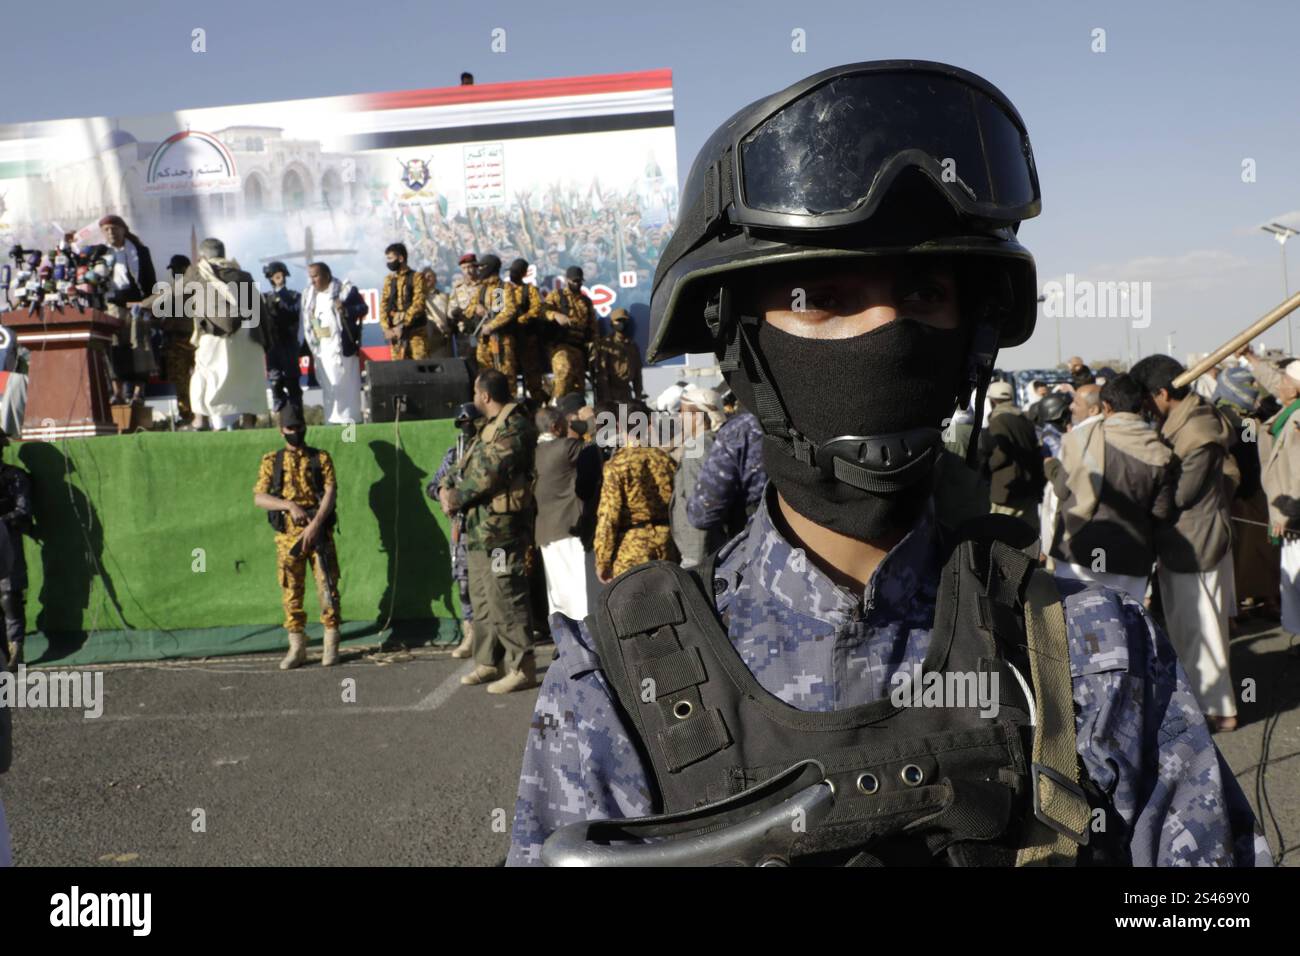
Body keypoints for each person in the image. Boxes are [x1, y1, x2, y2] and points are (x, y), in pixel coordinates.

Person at [508, 61, 1269, 867]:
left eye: (924, 295)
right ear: (741, 346)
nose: (888, 331)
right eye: (825, 296)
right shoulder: (620, 681)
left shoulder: (1094, 650)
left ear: (969, 339)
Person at [1131, 355, 1240, 733]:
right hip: (1186, 540)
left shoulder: (1198, 433)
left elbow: (1181, 494)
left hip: (1197, 540)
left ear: (1162, 392)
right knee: (1188, 628)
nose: (1144, 406)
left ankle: (1220, 711)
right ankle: (1207, 701)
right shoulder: (1185, 421)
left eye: (1147, 397)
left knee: (1203, 630)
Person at [438, 369, 538, 694]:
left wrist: (454, 497)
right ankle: (488, 662)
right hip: (479, 530)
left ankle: (521, 667)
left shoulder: (515, 427)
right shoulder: (487, 430)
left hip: (503, 533)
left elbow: (489, 475)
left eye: (475, 392)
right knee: (482, 599)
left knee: (505, 597)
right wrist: (444, 487)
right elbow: (463, 467)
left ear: (485, 396)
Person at [1047, 374, 1173, 602]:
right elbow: (1161, 512)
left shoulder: (1080, 440)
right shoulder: (1160, 452)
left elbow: (1062, 491)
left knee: (1078, 629)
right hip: (1131, 558)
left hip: (1081, 551)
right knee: (1126, 630)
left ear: (1105, 406)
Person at [253, 403, 341, 669]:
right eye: (291, 428)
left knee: (328, 587)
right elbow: (260, 497)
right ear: (282, 431)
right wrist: (289, 505)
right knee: (291, 592)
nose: (296, 432)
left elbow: (330, 492)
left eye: (300, 427)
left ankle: (331, 644)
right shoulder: (272, 460)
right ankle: (297, 647)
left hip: (319, 532)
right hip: (288, 537)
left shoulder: (321, 458)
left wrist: (315, 524)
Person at [1213, 364, 1279, 617]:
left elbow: (1253, 452)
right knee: (1240, 554)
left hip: (1255, 492)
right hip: (1235, 495)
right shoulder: (1220, 414)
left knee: (1262, 551)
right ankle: (1237, 604)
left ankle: (1265, 597)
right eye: (1248, 385)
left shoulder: (1251, 417)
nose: (1253, 390)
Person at [184, 237, 265, 430]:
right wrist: (264, 339)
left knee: (203, 374)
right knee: (247, 377)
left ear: (202, 256)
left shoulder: (198, 272)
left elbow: (172, 294)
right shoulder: (243, 275)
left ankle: (200, 421)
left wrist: (144, 304)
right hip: (246, 334)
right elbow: (259, 307)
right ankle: (247, 422)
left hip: (214, 334)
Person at [592, 400, 677, 583]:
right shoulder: (664, 459)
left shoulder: (617, 466)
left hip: (632, 548)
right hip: (667, 542)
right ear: (648, 423)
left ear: (618, 425)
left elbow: (609, 515)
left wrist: (602, 560)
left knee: (635, 608)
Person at [1251, 357, 1300, 645]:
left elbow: (1299, 474)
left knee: (1296, 580)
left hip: (1293, 517)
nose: (1277, 386)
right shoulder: (1289, 413)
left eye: (1283, 382)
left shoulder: (1296, 420)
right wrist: (1251, 358)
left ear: (1294, 390)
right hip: (1289, 514)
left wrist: (1288, 513)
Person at [429, 402, 483, 658]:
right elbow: (433, 485)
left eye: (470, 422)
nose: (466, 428)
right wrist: (442, 495)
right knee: (464, 584)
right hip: (461, 529)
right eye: (462, 424)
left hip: (486, 526)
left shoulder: (487, 450)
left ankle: (491, 636)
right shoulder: (454, 455)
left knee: (490, 583)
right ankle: (471, 632)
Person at [86, 215, 157, 405]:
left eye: (114, 228)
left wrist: (149, 306)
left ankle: (138, 393)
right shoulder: (101, 254)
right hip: (113, 306)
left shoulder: (140, 251)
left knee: (140, 346)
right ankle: (117, 392)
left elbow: (150, 281)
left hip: (137, 305)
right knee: (114, 347)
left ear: (123, 229)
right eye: (107, 230)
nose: (111, 233)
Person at [533, 406, 590, 625]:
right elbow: (595, 450)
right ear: (556, 427)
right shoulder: (567, 447)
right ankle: (586, 641)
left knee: (556, 593)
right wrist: (586, 423)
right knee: (578, 592)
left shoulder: (533, 452)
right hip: (569, 527)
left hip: (545, 532)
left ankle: (566, 642)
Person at [685, 405, 765, 543]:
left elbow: (702, 515)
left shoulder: (739, 430)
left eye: (682, 412)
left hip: (760, 541)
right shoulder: (806, 413)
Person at [301, 262, 365, 425]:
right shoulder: (309, 295)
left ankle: (349, 434)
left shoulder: (345, 291)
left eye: (315, 276)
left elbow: (362, 308)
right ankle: (332, 427)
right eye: (310, 277)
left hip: (343, 352)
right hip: (323, 351)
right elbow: (311, 324)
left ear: (326, 275)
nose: (312, 280)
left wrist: (345, 310)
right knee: (330, 391)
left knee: (346, 393)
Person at [977, 380, 1044, 534]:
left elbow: (1001, 455)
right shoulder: (1025, 419)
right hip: (1029, 488)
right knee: (1028, 538)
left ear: (992, 401)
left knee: (1003, 538)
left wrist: (986, 468)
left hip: (1008, 492)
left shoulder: (998, 421)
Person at [671, 385, 726, 569]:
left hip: (702, 554)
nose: (679, 417)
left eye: (682, 412)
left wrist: (694, 560)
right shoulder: (714, 441)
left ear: (697, 416)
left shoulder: (697, 449)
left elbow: (701, 506)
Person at [0, 433, 33, 670]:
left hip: (6, 539)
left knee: (9, 595)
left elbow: (23, 511)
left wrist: (2, 521)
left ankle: (15, 645)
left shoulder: (14, 476)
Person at [493, 258, 546, 403]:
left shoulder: (530, 289)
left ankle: (538, 405)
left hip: (526, 338)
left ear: (523, 274)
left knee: (533, 378)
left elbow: (537, 308)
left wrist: (522, 319)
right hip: (507, 339)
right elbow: (496, 312)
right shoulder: (500, 289)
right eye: (512, 271)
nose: (513, 275)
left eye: (516, 272)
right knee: (507, 375)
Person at [543, 266, 597, 400]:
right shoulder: (557, 295)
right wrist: (555, 315)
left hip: (578, 348)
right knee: (564, 370)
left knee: (577, 388)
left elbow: (593, 327)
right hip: (560, 346)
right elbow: (542, 311)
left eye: (579, 281)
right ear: (567, 280)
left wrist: (594, 345)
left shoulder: (586, 301)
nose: (577, 284)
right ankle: (555, 405)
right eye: (574, 281)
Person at [156, 254, 196, 426]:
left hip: (188, 341)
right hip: (183, 342)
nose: (175, 273)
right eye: (173, 270)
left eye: (177, 269)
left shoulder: (195, 288)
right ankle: (190, 417)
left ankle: (193, 417)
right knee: (184, 383)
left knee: (189, 381)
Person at [261, 260, 303, 415]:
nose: (278, 277)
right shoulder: (265, 298)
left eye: (280, 274)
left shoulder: (294, 296)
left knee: (292, 381)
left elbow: (294, 313)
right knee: (275, 381)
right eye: (273, 275)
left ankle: (297, 413)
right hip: (273, 345)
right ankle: (280, 411)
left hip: (289, 343)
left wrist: (280, 293)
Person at [379, 242, 427, 360]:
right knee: (398, 370)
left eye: (391, 258)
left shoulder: (417, 277)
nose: (388, 262)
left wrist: (401, 326)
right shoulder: (389, 280)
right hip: (396, 336)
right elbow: (383, 305)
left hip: (415, 333)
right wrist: (386, 328)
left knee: (420, 366)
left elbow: (418, 304)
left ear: (400, 258)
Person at [472, 255, 515, 383]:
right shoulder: (482, 288)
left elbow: (508, 311)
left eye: (482, 267)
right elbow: (470, 307)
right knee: (485, 376)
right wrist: (476, 308)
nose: (479, 270)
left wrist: (491, 326)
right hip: (483, 341)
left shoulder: (502, 287)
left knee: (505, 375)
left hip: (500, 339)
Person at [591, 307, 643, 403]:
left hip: (626, 393)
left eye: (624, 320)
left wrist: (638, 395)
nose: (621, 323)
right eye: (618, 320)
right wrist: (607, 399)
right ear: (612, 323)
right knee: (610, 417)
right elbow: (602, 373)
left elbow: (637, 374)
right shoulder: (606, 344)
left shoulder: (632, 346)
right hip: (610, 393)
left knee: (625, 417)